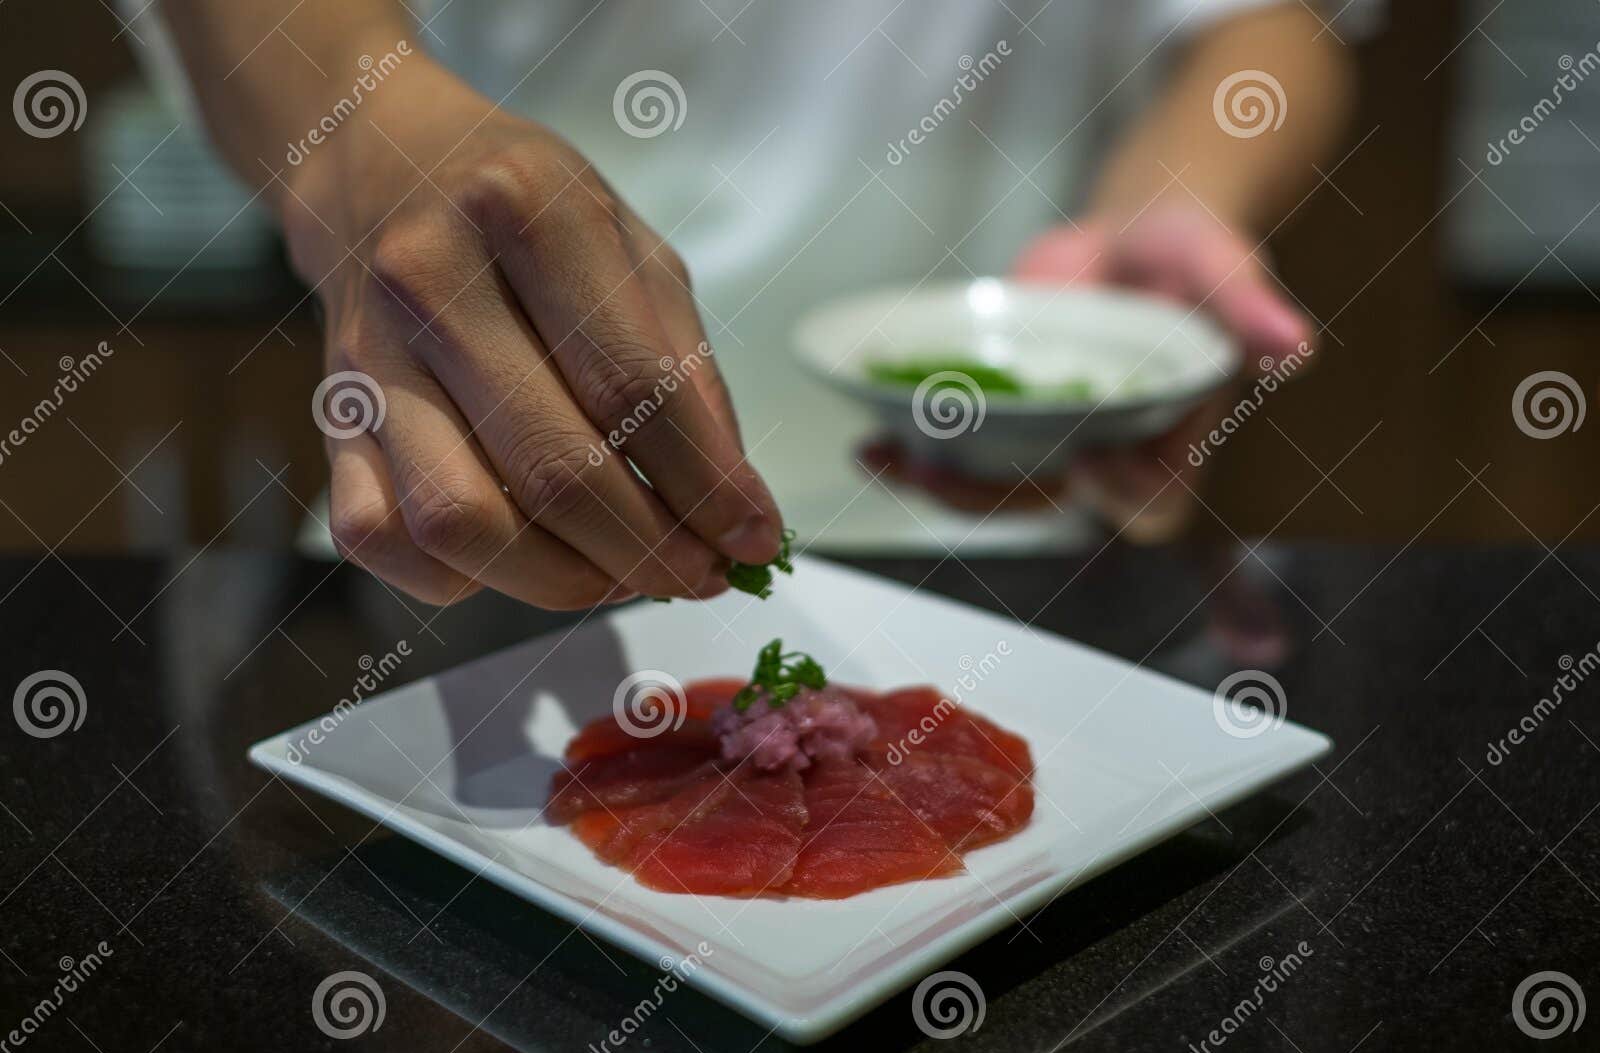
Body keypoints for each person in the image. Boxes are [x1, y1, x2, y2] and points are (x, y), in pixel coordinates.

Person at [137, 0, 1372, 608]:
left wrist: (1178, 191)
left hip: (1002, 561)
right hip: (474, 522)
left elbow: (1268, 23)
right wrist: (371, 134)